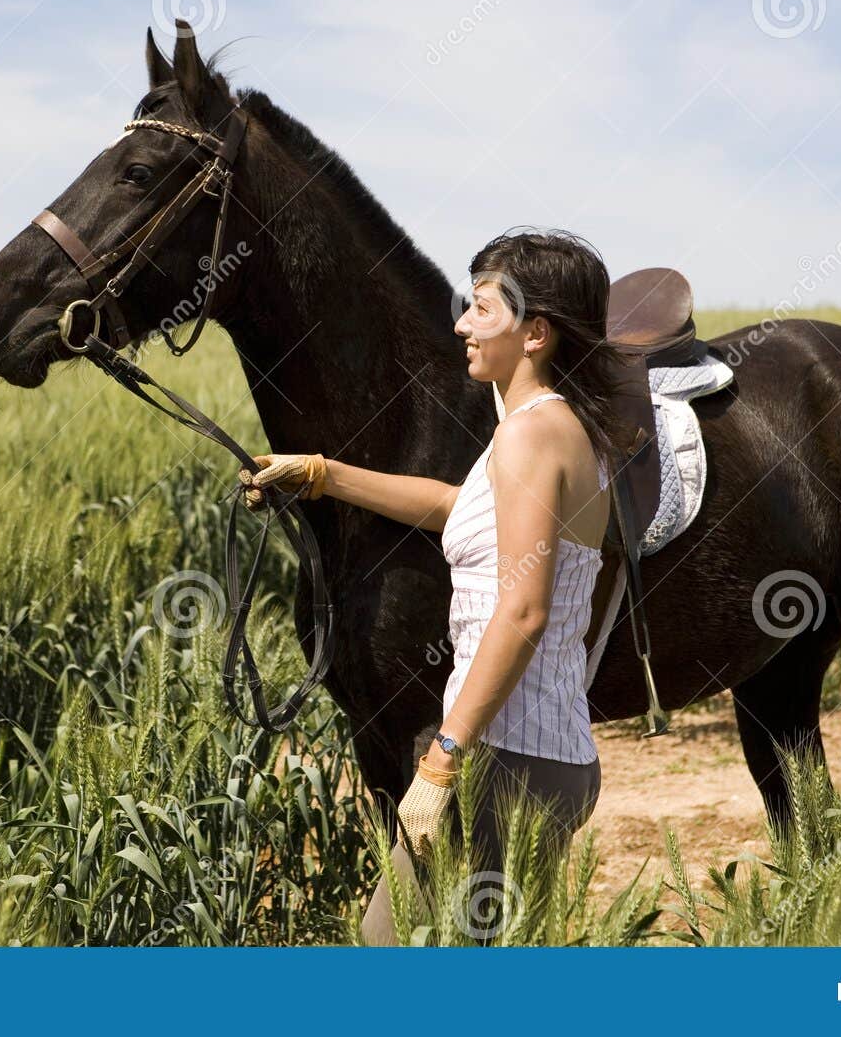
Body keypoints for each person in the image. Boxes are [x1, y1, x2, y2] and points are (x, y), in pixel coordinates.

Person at [245, 229, 630, 943]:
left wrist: (442, 758)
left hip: (505, 764)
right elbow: (460, 507)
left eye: (482, 308)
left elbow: (523, 611)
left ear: (535, 333)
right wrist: (323, 474)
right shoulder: (546, 426)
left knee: (385, 951)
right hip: (539, 756)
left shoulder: (530, 435)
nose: (461, 325)